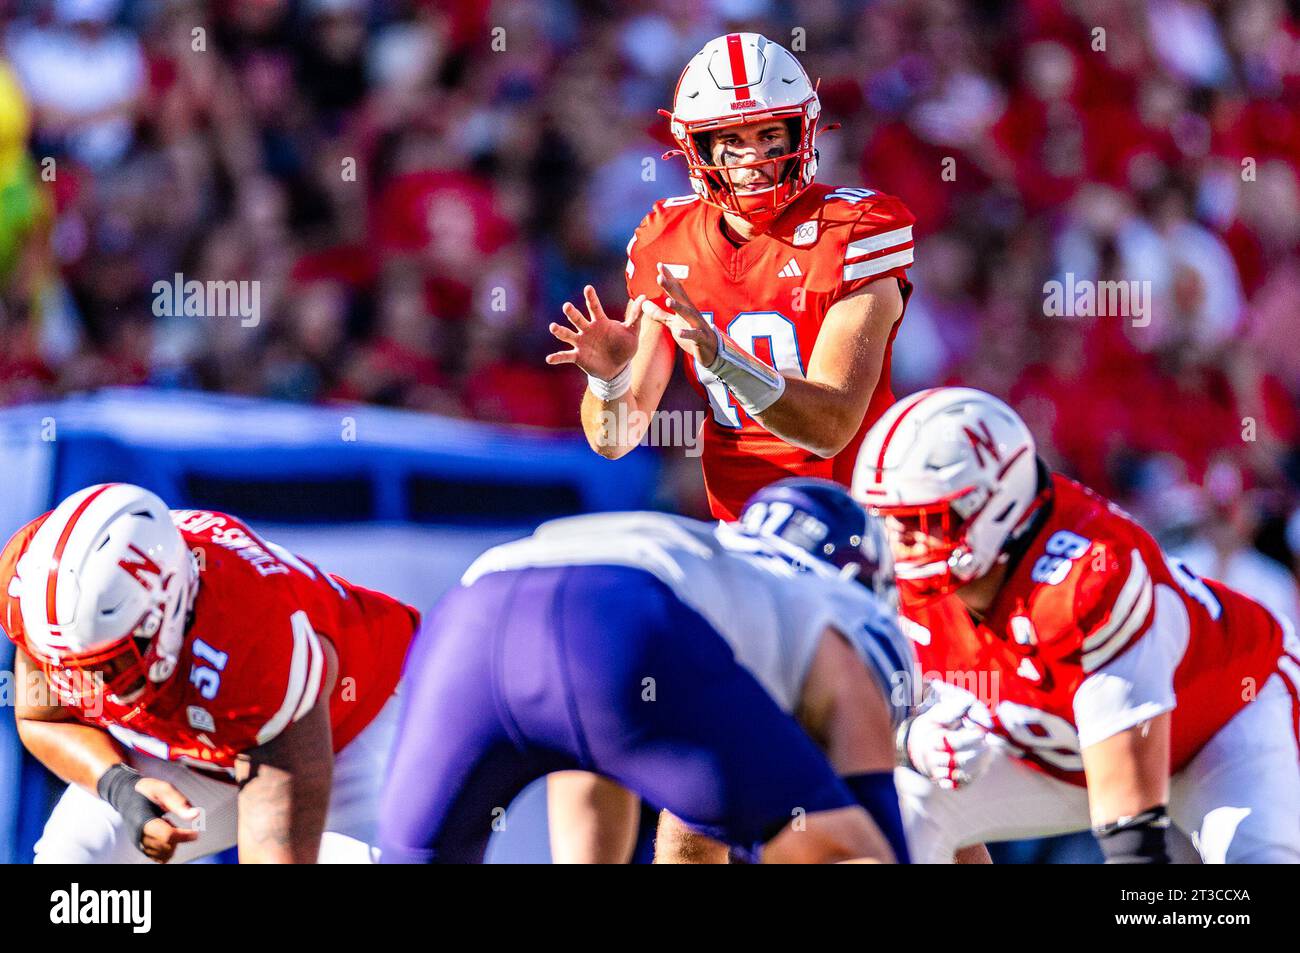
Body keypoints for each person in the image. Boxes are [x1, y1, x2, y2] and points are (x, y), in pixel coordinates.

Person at [853, 387, 1300, 863]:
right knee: (899, 806)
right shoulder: (890, 580)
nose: (899, 546)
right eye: (888, 522)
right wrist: (909, 740)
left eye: (923, 520)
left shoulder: (1089, 580)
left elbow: (1134, 846)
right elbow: (835, 721)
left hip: (1224, 715)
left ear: (997, 507)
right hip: (1059, 747)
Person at [378, 480, 912, 863]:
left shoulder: (710, 564)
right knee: (851, 849)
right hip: (618, 622)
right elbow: (872, 836)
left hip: (470, 613)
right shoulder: (841, 613)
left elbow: (584, 729)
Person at [546, 32, 915, 519]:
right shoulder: (667, 239)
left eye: (768, 136)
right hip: (743, 527)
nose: (753, 160)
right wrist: (609, 381)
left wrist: (721, 358)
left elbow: (831, 428)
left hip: (856, 521)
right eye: (731, 140)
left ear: (798, 133)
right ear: (698, 146)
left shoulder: (851, 230)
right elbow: (615, 440)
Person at [0, 482, 419, 863]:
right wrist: (120, 785)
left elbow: (276, 850)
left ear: (168, 611)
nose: (92, 684)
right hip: (209, 743)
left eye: (111, 663)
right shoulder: (39, 590)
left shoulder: (253, 638)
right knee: (72, 860)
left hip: (355, 720)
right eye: (74, 666)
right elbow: (43, 720)